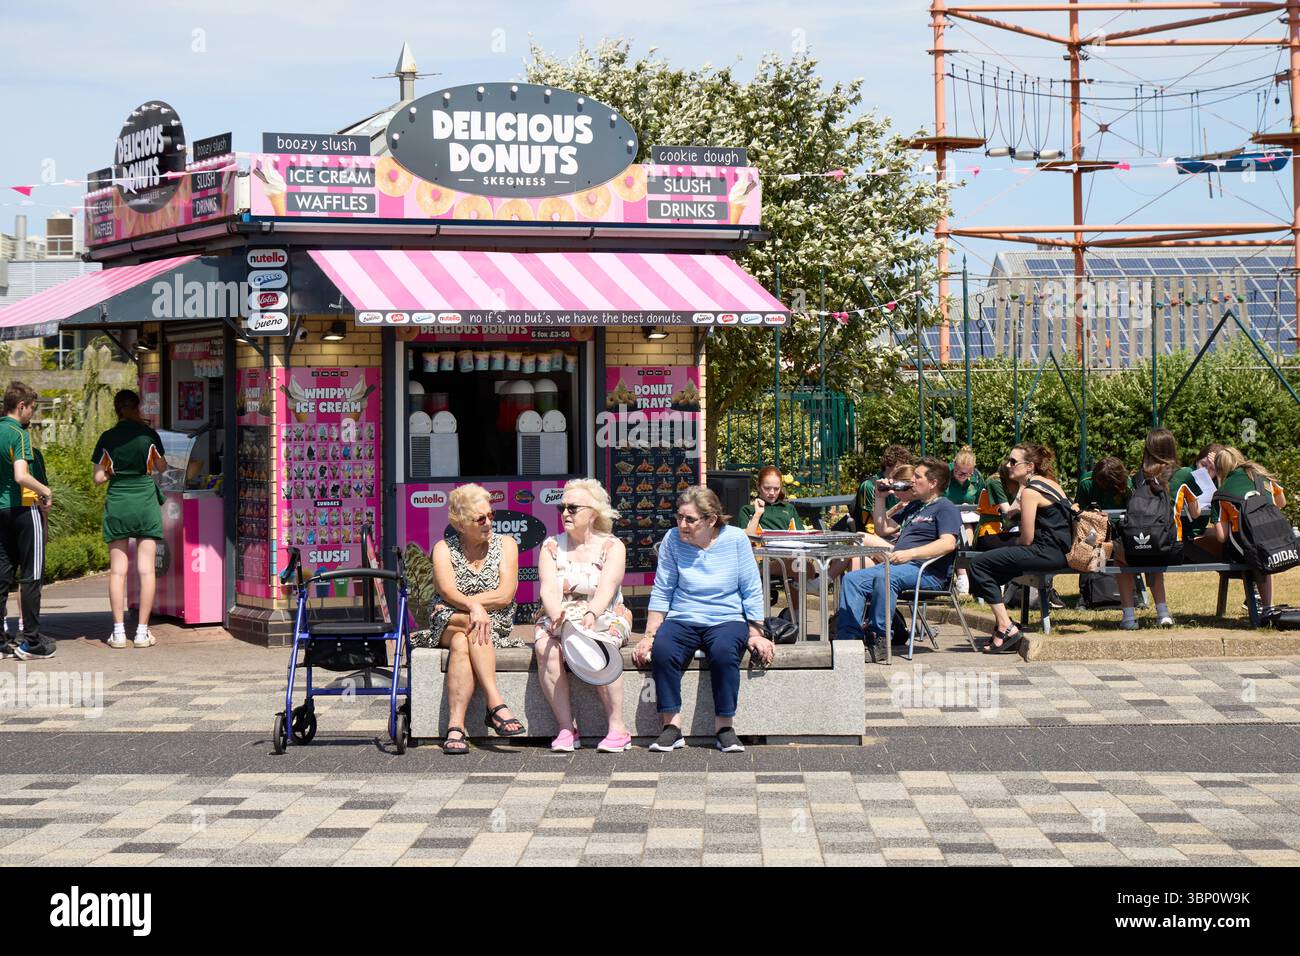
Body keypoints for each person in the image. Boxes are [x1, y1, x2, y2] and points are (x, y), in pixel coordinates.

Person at [632, 486, 774, 754]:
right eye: (679, 517)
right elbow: (663, 589)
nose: (681, 525)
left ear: (711, 520)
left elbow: (751, 587)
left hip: (726, 616)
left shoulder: (735, 540)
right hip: (683, 615)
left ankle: (724, 727)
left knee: (723, 652)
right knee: (664, 649)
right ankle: (671, 727)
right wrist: (649, 636)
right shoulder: (673, 540)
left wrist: (755, 632)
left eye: (690, 520)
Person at [419, 483, 525, 753]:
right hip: (449, 617)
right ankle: (496, 703)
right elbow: (446, 590)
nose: (488, 522)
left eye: (491, 515)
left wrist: (475, 608)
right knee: (469, 624)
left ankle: (455, 727)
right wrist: (474, 608)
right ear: (461, 524)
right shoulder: (443, 548)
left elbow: (505, 595)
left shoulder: (507, 545)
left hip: (491, 621)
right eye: (480, 518)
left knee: (461, 643)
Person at [534, 478, 633, 753]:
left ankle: (618, 728)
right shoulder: (551, 545)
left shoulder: (612, 546)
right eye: (562, 507)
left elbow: (607, 588)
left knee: (602, 645)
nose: (565, 513)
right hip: (561, 615)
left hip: (604, 612)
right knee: (545, 647)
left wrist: (590, 615)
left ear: (593, 512)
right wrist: (558, 617)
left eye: (573, 507)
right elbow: (548, 588)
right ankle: (567, 728)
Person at [834, 457, 961, 660]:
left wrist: (910, 553)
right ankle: (848, 641)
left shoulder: (945, 507)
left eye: (917, 477)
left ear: (933, 483)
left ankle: (880, 639)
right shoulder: (914, 506)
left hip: (926, 572)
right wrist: (880, 497)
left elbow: (948, 543)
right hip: (900, 566)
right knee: (852, 580)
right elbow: (882, 528)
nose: (912, 481)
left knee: (885, 577)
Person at [967, 443, 1074, 654]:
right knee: (990, 564)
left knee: (979, 564)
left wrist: (1009, 545)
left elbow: (1026, 539)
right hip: (1057, 550)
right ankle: (1004, 623)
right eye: (1009, 460)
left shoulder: (1031, 491)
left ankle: (1007, 627)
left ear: (1030, 466)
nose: (1008, 465)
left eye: (1013, 462)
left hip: (1046, 552)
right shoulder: (1047, 483)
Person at [91, 389, 166, 650]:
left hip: (119, 502)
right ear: (138, 407)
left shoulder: (107, 437)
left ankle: (119, 632)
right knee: (146, 569)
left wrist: (114, 472)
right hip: (145, 501)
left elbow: (98, 477)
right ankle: (143, 633)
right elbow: (161, 467)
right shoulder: (149, 435)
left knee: (118, 571)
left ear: (116, 409)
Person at [1, 383, 53, 661]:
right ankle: (31, 642)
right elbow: (22, 475)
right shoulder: (18, 433)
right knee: (32, 574)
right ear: (21, 406)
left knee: (2, 574)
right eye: (32, 407)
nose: (32, 413)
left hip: (0, 511)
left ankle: (0, 642)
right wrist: (45, 491)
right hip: (23, 508)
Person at [1114, 429, 1183, 629]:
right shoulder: (1183, 474)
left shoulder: (1136, 479)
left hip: (1141, 548)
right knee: (1154, 547)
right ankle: (1163, 612)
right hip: (1173, 549)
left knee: (1121, 556)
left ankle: (1128, 617)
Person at [1209, 447, 1288, 619]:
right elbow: (1281, 503)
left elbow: (1221, 537)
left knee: (1242, 548)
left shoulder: (1221, 494)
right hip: (1275, 542)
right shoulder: (1262, 477)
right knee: (1259, 550)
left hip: (1245, 550)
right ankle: (1267, 606)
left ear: (1219, 469)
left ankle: (1259, 602)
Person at [1172, 442, 1225, 561]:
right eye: (1203, 464)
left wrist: (1220, 476)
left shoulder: (1217, 483)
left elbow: (1224, 504)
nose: (1206, 471)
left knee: (1229, 535)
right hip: (1181, 536)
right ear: (1196, 461)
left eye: (1212, 469)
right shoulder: (1185, 474)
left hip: (1199, 533)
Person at [945, 446, 984, 594]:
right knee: (960, 526)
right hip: (947, 518)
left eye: (966, 474)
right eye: (957, 471)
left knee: (967, 526)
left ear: (972, 471)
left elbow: (982, 501)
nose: (961, 476)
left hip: (971, 520)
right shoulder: (945, 475)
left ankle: (966, 575)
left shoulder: (977, 478)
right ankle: (963, 575)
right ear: (953, 465)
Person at [854, 444, 914, 533]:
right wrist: (897, 508)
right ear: (888, 464)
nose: (901, 472)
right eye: (898, 468)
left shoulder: (902, 485)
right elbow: (873, 523)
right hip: (872, 533)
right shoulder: (870, 485)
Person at [736, 465, 802, 534]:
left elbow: (802, 536)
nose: (772, 493)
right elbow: (746, 539)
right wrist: (757, 514)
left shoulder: (789, 509)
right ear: (758, 486)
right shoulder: (747, 510)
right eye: (767, 488)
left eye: (776, 489)